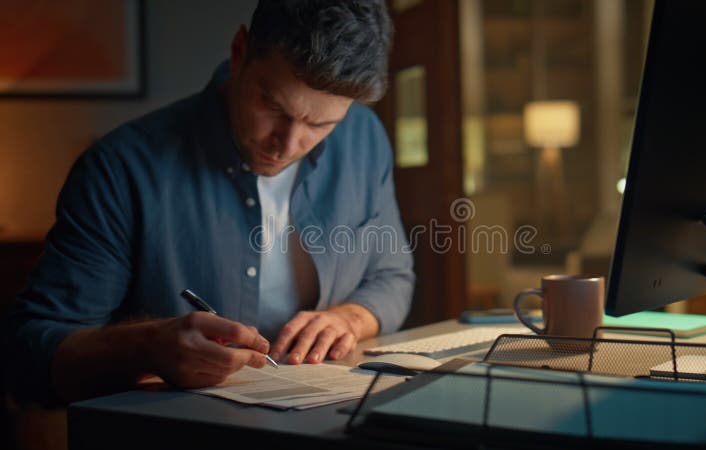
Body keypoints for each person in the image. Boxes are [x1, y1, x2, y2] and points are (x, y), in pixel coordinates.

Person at [3, 0, 414, 404]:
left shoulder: (364, 137)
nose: (288, 145)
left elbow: (392, 278)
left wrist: (350, 318)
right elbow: (28, 357)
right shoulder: (120, 168)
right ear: (239, 52)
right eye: (272, 106)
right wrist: (143, 347)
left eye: (321, 124)